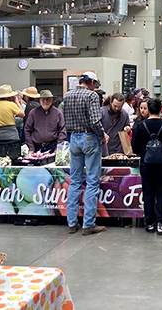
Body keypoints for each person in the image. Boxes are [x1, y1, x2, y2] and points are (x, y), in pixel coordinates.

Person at [63, 72, 107, 236]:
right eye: (96, 84)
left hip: (73, 138)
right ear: (92, 82)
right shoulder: (92, 96)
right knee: (92, 181)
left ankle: (72, 223)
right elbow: (95, 120)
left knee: (74, 181)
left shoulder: (67, 95)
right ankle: (88, 224)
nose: (96, 87)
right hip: (89, 137)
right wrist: (102, 136)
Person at [131, 98, 162, 235]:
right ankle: (161, 222)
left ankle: (149, 222)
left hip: (146, 164)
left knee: (148, 193)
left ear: (149, 109)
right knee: (161, 192)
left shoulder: (140, 126)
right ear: (160, 109)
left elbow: (135, 147)